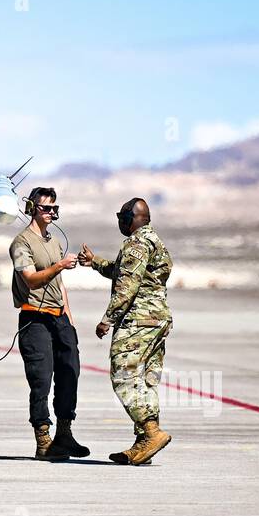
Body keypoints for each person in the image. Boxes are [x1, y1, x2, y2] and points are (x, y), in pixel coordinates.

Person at [80, 197, 173, 465]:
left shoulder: (137, 244)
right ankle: (143, 442)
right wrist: (95, 262)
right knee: (145, 381)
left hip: (138, 321)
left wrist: (108, 319)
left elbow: (127, 286)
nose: (120, 222)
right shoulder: (153, 240)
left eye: (122, 216)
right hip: (156, 320)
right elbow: (126, 273)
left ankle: (152, 433)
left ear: (132, 218)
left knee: (123, 375)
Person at [9, 186, 90, 460]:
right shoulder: (21, 243)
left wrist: (69, 318)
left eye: (55, 208)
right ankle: (43, 438)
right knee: (41, 378)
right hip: (34, 318)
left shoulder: (53, 242)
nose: (52, 213)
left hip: (59, 318)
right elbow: (31, 279)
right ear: (32, 208)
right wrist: (59, 266)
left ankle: (64, 435)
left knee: (70, 371)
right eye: (46, 208)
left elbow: (59, 284)